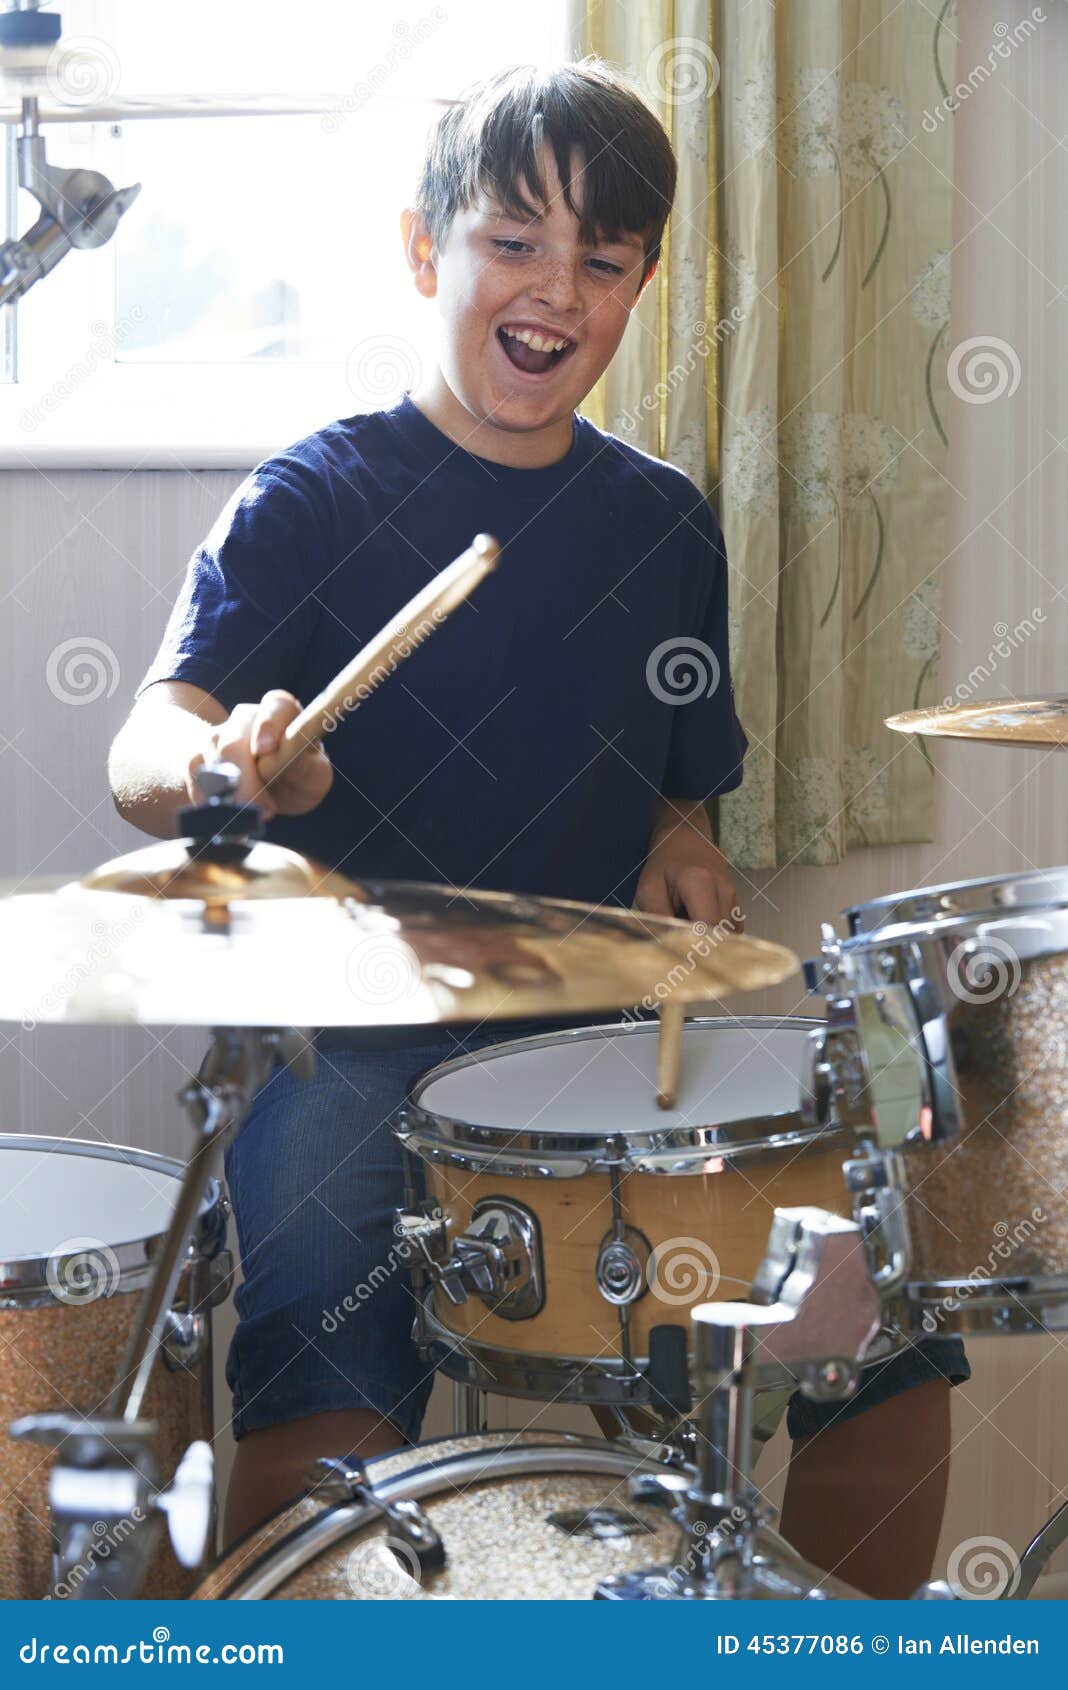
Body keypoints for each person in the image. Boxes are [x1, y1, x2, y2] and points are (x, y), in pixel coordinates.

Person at [109, 59, 967, 1597]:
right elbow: (143, 746)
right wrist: (221, 760)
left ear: (642, 283)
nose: (556, 288)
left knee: (881, 1316)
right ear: (423, 249)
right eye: (513, 241)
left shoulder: (664, 521)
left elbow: (678, 785)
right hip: (350, 1037)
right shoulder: (313, 495)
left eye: (603, 258)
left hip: (600, 1030)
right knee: (324, 1401)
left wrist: (680, 843)